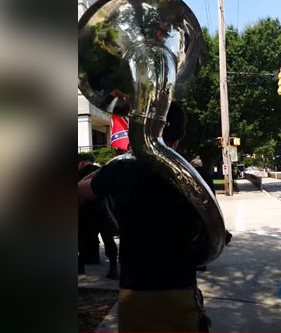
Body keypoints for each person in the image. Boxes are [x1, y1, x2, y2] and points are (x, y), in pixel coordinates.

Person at [78, 102, 212, 332]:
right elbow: (211, 237)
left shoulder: (123, 169)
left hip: (135, 293)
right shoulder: (192, 175)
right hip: (180, 288)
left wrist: (104, 168)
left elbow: (79, 191)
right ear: (182, 134)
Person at [78, 154, 119, 279]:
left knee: (83, 240)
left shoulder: (82, 173)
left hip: (86, 212)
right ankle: (113, 269)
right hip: (102, 209)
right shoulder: (101, 171)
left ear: (82, 163)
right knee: (108, 240)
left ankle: (80, 266)